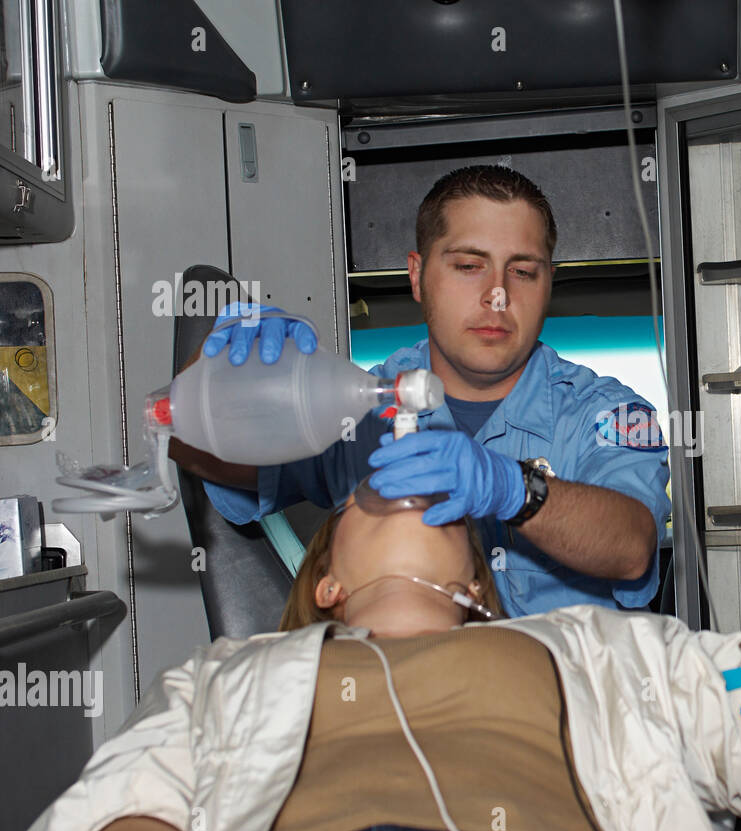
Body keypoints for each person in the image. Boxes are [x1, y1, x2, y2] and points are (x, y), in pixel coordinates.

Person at [21, 484, 741, 831]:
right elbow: (121, 814)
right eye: (370, 490)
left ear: (478, 580)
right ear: (325, 580)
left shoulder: (599, 651)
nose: (403, 481)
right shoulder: (229, 675)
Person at [170, 165, 670, 618]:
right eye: (469, 266)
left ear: (548, 284)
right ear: (416, 276)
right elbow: (193, 449)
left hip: (570, 709)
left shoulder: (608, 413)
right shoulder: (362, 409)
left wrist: (514, 489)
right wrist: (215, 370)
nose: (497, 295)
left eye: (522, 271)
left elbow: (631, 546)